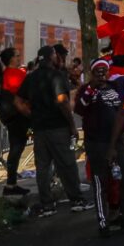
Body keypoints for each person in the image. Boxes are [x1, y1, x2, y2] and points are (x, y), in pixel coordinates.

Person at [18, 45, 88, 217]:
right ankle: (77, 200)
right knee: (67, 164)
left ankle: (47, 204)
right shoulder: (57, 76)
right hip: (58, 127)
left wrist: (31, 115)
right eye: (56, 55)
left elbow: (18, 100)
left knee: (42, 167)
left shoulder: (31, 77)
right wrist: (72, 125)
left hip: (40, 129)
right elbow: (62, 101)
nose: (58, 58)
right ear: (52, 57)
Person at [75, 58, 124, 232]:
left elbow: (123, 110)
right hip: (96, 143)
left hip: (118, 141)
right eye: (97, 71)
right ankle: (103, 222)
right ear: (92, 73)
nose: (101, 74)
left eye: (104, 71)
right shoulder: (86, 90)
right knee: (100, 182)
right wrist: (92, 87)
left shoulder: (115, 87)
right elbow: (79, 109)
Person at [0, 47, 29, 196]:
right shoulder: (14, 74)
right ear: (11, 59)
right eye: (17, 56)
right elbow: (22, 93)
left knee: (16, 148)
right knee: (16, 148)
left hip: (13, 116)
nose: (20, 57)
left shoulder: (6, 74)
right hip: (19, 116)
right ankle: (10, 184)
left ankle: (11, 183)